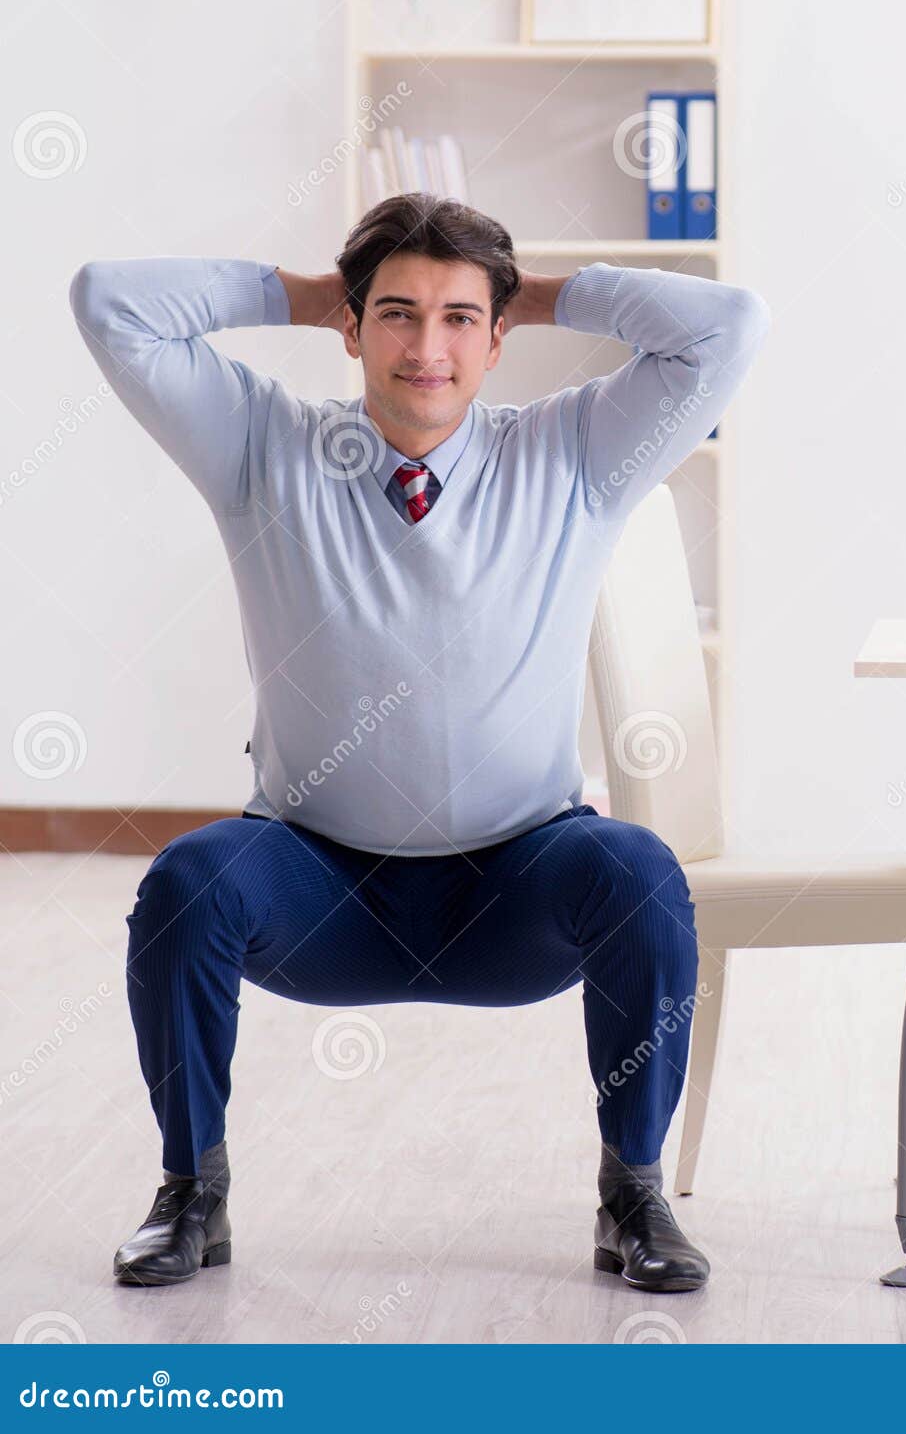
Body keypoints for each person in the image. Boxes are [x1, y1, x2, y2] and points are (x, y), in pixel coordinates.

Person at [68, 193, 771, 1293]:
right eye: (395, 314)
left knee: (638, 871)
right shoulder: (261, 446)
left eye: (458, 319)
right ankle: (191, 1194)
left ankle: (633, 1191)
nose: (427, 347)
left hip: (516, 887)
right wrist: (308, 294)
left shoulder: (574, 453)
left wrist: (534, 291)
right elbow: (108, 302)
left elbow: (730, 323)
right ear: (351, 329)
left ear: (499, 339)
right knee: (188, 881)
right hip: (318, 887)